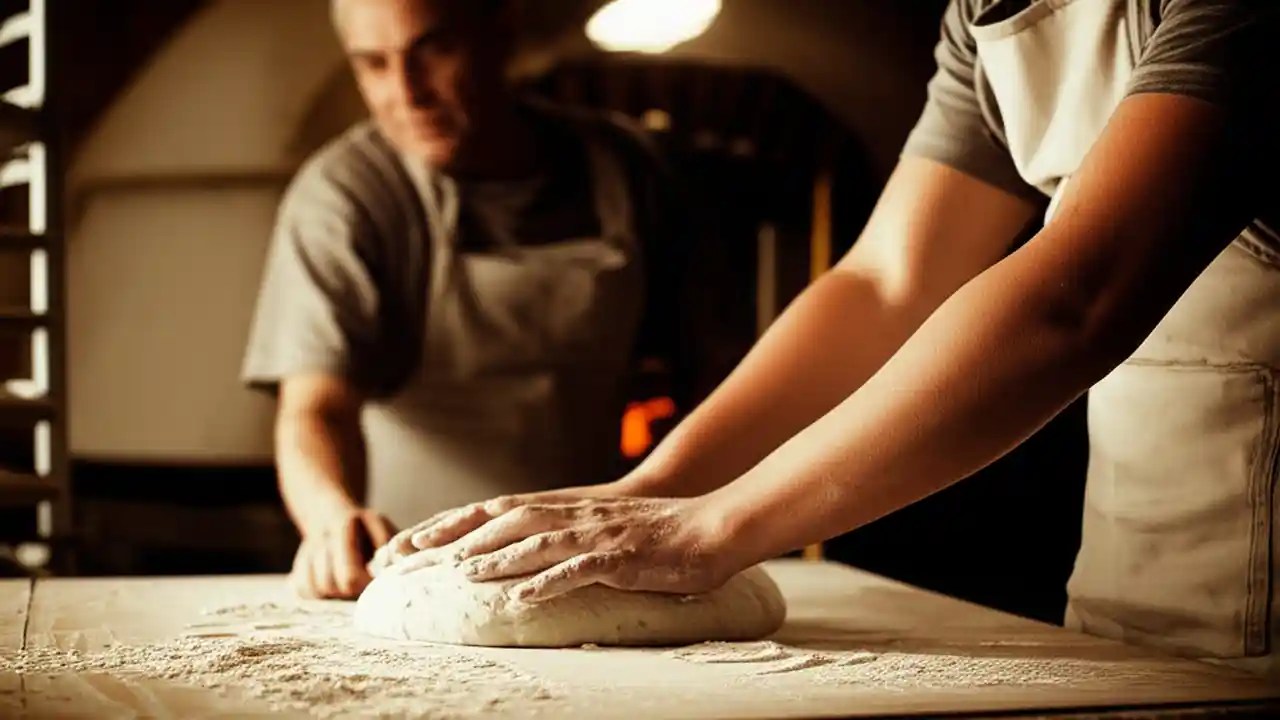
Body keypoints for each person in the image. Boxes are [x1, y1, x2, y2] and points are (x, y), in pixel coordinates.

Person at [376, 0, 1280, 677]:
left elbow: (1084, 293)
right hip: (1130, 563)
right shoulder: (986, 18)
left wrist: (715, 528)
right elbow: (884, 284)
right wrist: (660, 485)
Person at [242, 0, 684, 599]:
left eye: (434, 50)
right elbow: (316, 407)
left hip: (608, 563)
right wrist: (330, 521)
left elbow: (696, 375)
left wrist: (687, 512)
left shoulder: (627, 170)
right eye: (374, 64)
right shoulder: (354, 195)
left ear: (501, 34)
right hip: (423, 575)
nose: (408, 93)